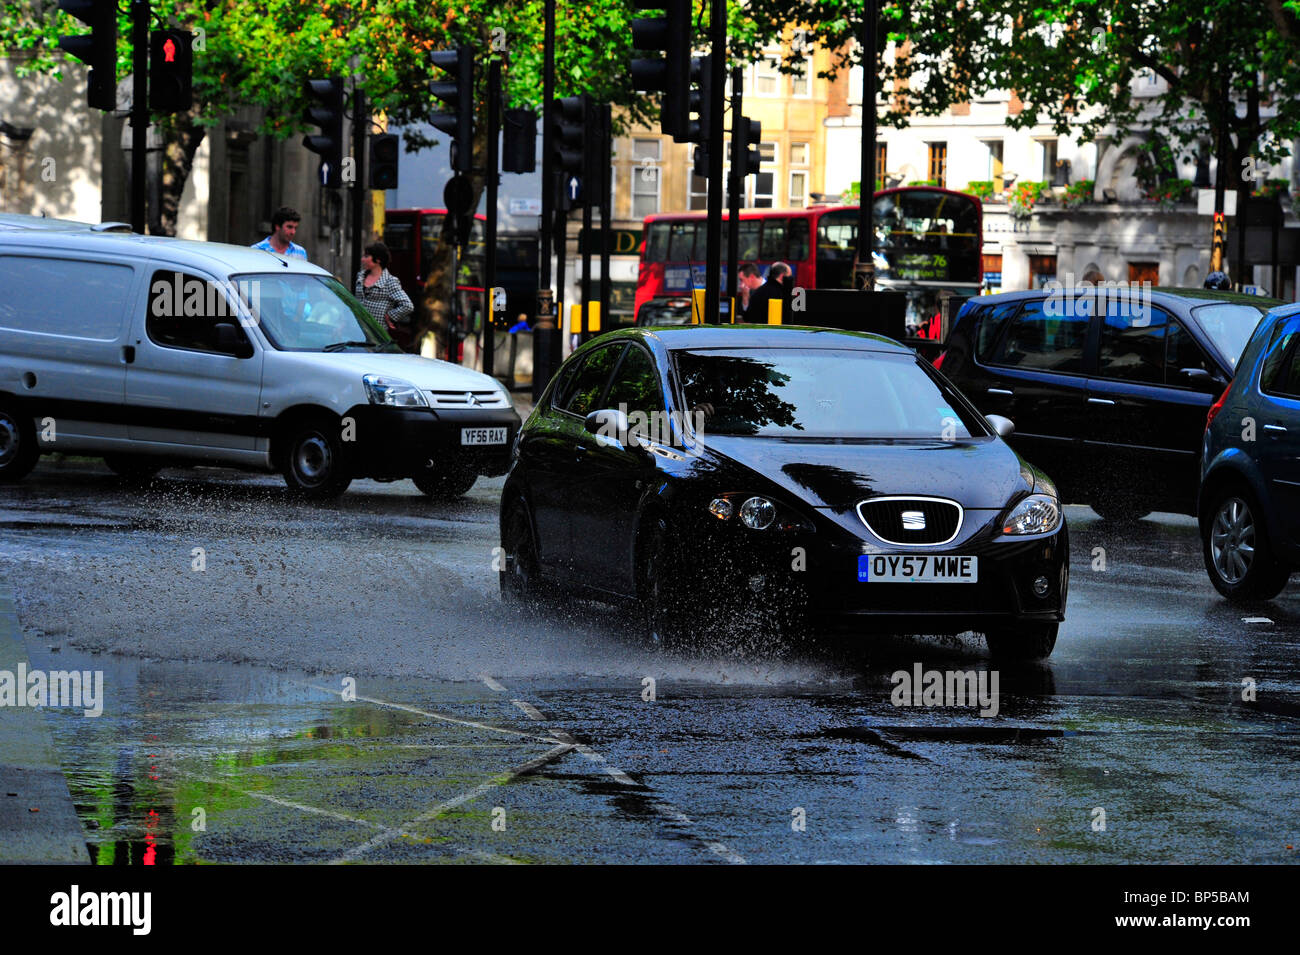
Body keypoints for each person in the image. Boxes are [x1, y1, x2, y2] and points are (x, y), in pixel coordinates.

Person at [354, 241, 414, 344]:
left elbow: (407, 305)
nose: (362, 259)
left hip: (377, 337)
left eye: (366, 256)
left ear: (378, 260)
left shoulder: (390, 282)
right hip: (356, 333)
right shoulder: (360, 277)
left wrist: (390, 316)